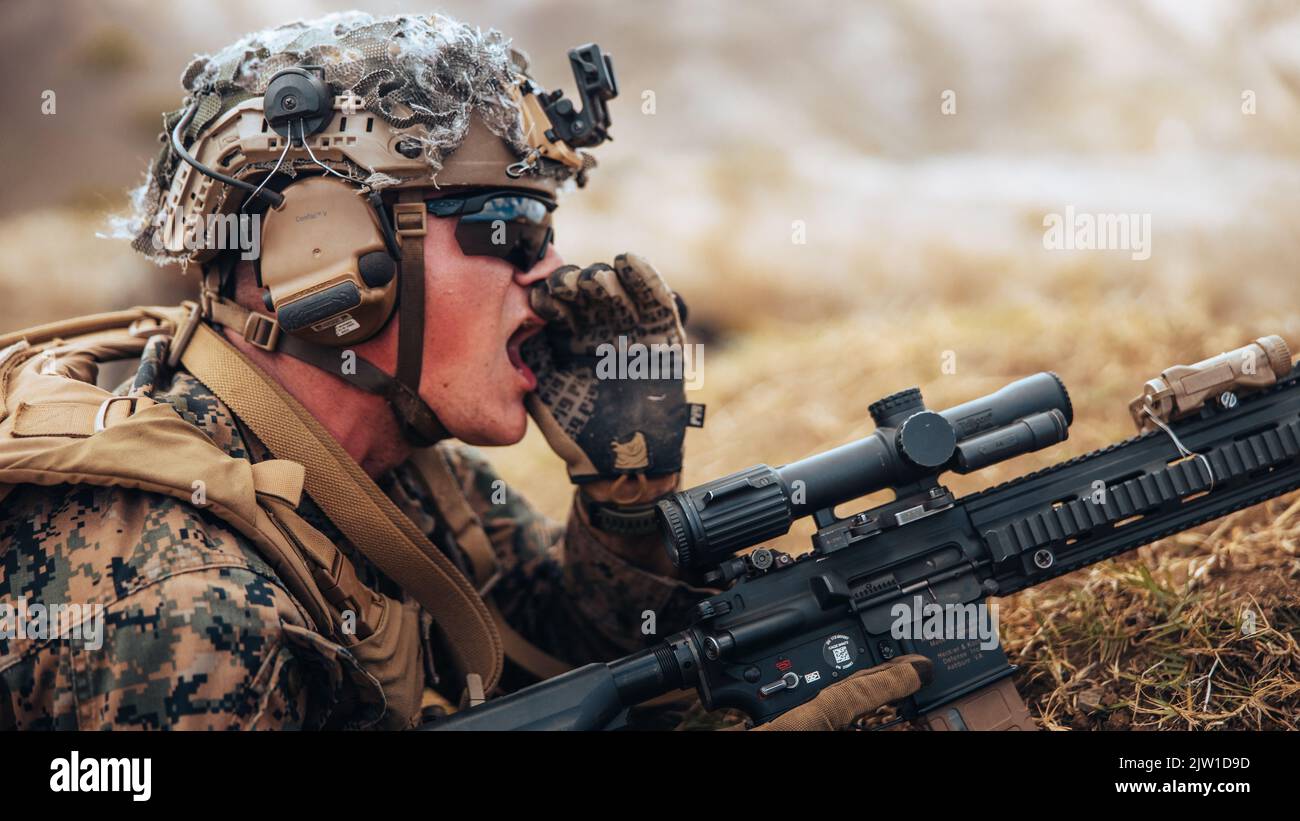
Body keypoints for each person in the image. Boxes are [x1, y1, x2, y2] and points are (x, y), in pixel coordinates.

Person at [0, 11, 930, 730]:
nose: (552, 274)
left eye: (549, 233)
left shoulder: (383, 470)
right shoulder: (189, 613)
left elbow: (568, 656)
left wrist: (628, 502)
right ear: (321, 259)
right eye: (507, 231)